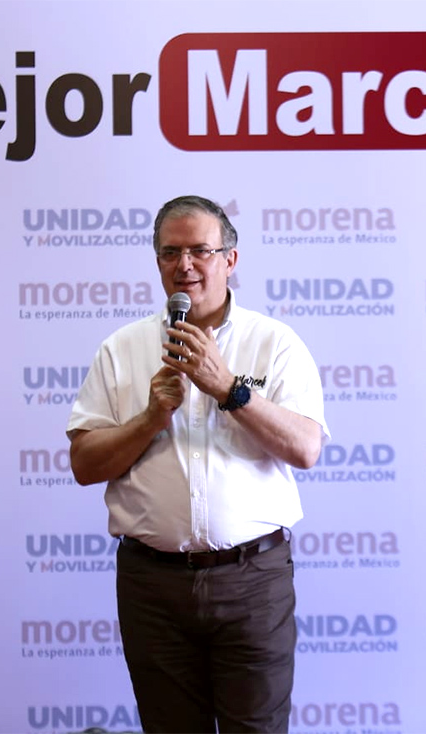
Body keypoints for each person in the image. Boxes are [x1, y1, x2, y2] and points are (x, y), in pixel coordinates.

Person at [67, 195, 329, 733]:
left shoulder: (274, 343)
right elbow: (84, 464)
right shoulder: (122, 348)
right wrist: (149, 418)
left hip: (252, 581)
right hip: (152, 585)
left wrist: (228, 388)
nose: (184, 265)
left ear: (230, 259)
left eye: (199, 251)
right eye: (170, 253)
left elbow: (306, 448)